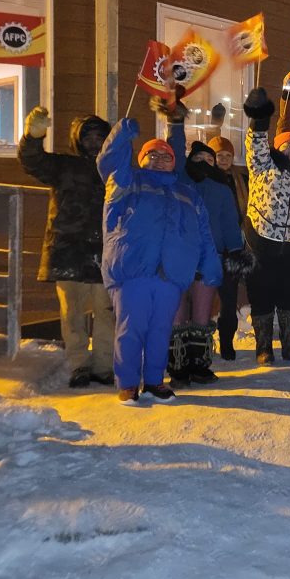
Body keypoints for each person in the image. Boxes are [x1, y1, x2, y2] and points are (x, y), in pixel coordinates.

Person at [97, 117, 222, 405]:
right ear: (141, 159)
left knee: (161, 331)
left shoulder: (187, 193)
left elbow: (203, 233)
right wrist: (120, 135)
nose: (160, 160)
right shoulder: (127, 181)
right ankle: (128, 383)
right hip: (134, 270)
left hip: (172, 274)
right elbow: (108, 162)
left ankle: (154, 381)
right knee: (131, 329)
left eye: (166, 156)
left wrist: (210, 265)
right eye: (153, 155)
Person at [18, 107, 115, 388]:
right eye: (89, 137)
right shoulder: (62, 166)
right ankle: (78, 366)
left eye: (100, 137)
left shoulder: (114, 169)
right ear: (77, 139)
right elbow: (32, 161)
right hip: (68, 250)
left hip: (104, 252)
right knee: (72, 314)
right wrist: (33, 137)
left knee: (106, 312)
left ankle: (103, 366)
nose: (94, 142)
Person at [158, 97, 246, 385]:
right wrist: (175, 121)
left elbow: (230, 225)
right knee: (177, 315)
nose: (206, 163)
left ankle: (199, 364)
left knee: (202, 315)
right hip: (177, 259)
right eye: (200, 159)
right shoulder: (180, 182)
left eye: (211, 160)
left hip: (209, 260)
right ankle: (178, 367)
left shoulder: (221, 190)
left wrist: (236, 252)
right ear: (189, 162)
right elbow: (176, 149)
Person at [241, 87, 290, 366]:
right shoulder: (264, 165)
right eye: (287, 145)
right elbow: (256, 143)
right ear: (278, 149)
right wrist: (260, 116)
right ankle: (263, 347)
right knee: (262, 294)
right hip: (262, 242)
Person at [207, 134, 252, 360]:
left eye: (227, 155)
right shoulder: (204, 179)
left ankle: (226, 342)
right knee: (203, 299)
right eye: (219, 155)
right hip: (208, 247)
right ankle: (201, 343)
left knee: (229, 298)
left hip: (234, 246)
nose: (223, 159)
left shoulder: (240, 178)